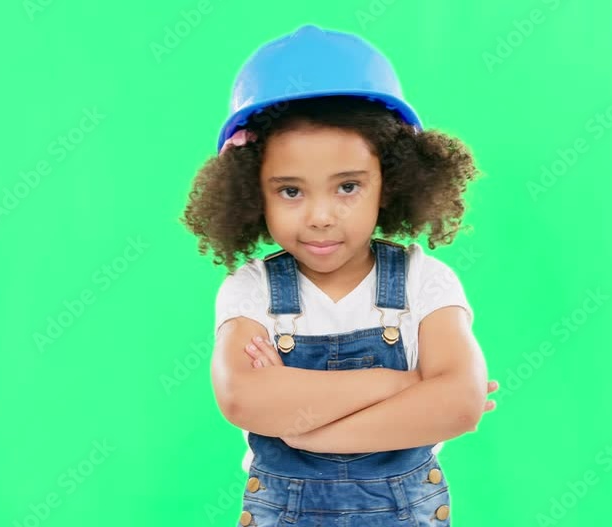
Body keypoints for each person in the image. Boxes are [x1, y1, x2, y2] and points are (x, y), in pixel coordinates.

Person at [181, 24, 497, 526]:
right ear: (251, 193)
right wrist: (403, 384)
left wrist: (308, 431)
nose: (321, 216)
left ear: (390, 183)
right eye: (291, 191)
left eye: (347, 186)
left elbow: (460, 402)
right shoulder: (251, 289)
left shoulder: (422, 281)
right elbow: (243, 396)